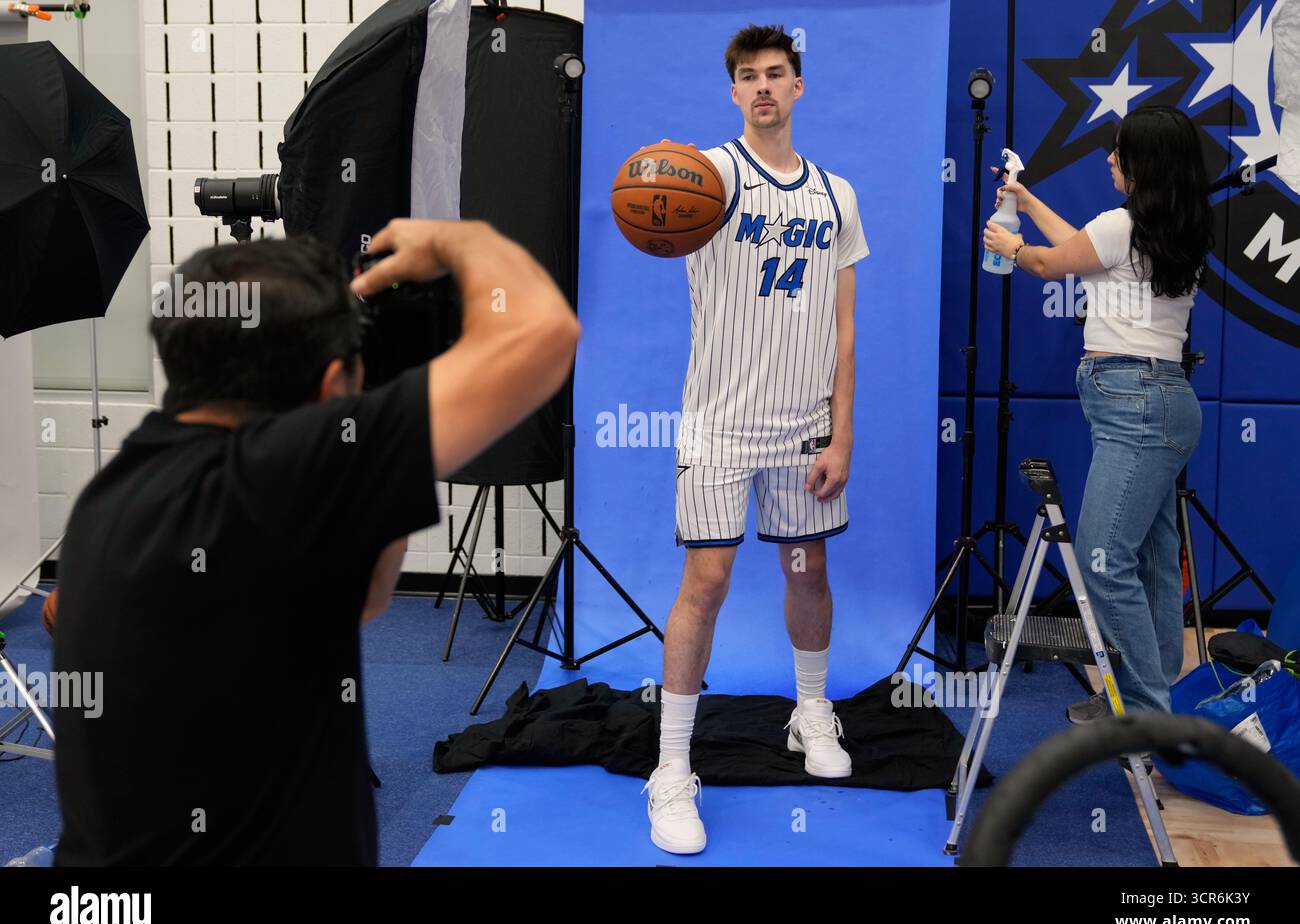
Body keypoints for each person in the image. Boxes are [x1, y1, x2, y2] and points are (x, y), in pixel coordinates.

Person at [52, 220, 580, 865]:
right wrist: (458, 239)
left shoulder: (116, 489)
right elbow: (543, 332)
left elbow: (363, 597)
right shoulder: (277, 475)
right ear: (333, 389)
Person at [642, 24, 870, 855]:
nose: (764, 86)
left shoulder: (835, 195)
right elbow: (647, 199)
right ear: (734, 93)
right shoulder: (705, 178)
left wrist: (842, 435)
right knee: (705, 582)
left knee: (808, 570)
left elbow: (847, 332)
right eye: (749, 76)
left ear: (798, 87)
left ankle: (811, 712)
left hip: (804, 424)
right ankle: (670, 769)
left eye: (777, 74)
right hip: (718, 421)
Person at [982, 105, 1214, 722]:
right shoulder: (1169, 226)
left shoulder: (1123, 225)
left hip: (1136, 406)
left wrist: (1011, 243)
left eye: (1119, 152)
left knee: (1105, 561)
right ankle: (1157, 692)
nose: (1110, 159)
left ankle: (1141, 710)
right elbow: (1085, 248)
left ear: (1143, 166)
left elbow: (1046, 263)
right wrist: (1028, 205)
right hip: (1162, 405)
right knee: (1152, 560)